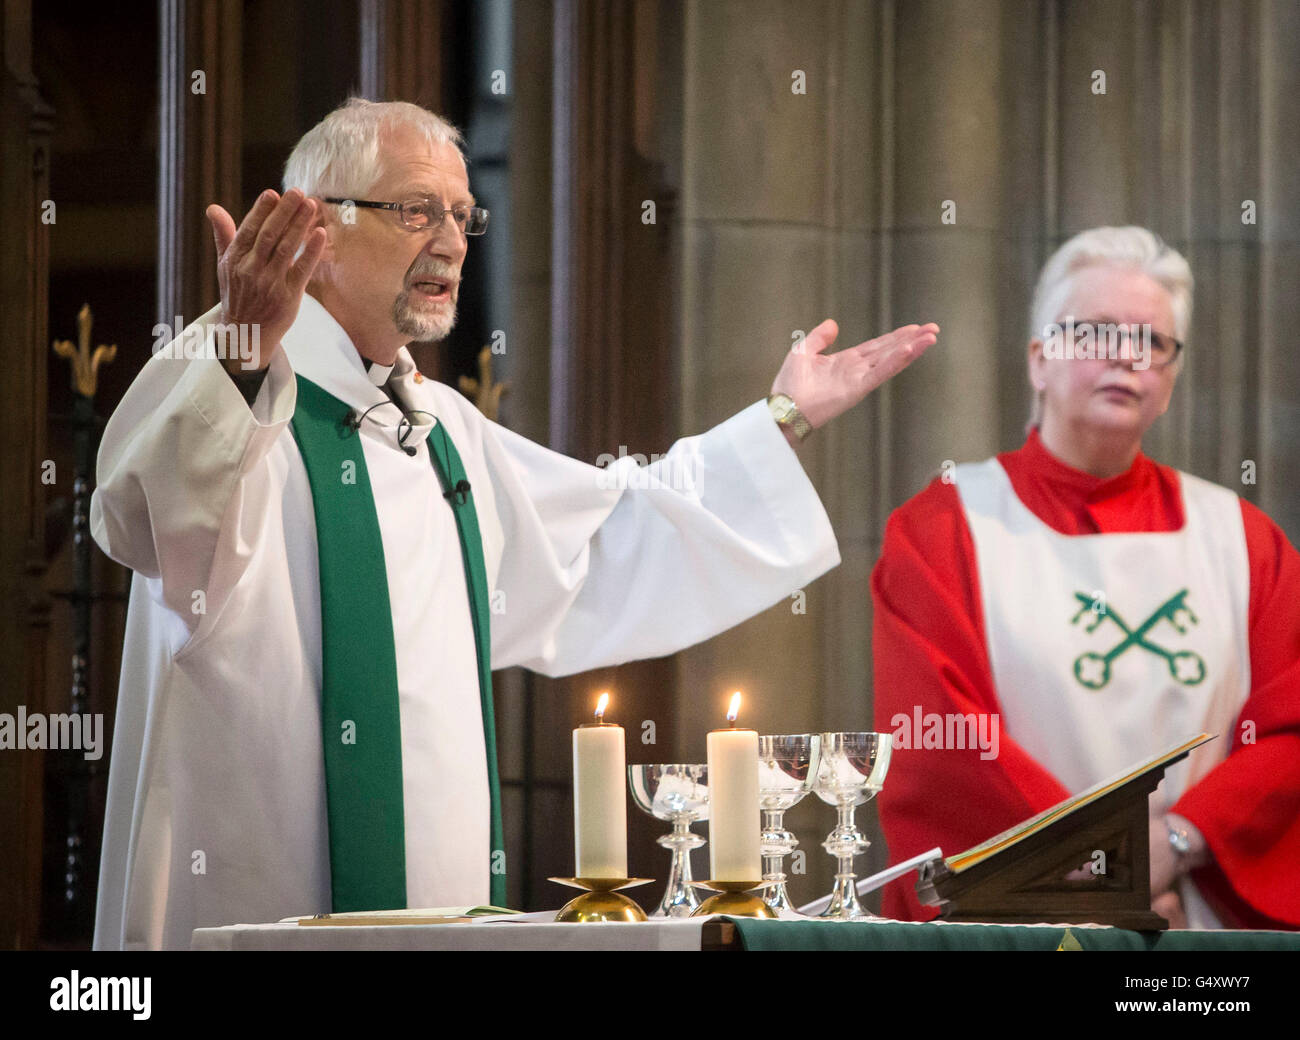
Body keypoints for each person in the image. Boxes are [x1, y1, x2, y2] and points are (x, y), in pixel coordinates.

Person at [91, 98, 940, 949]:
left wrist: (783, 418)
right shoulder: (229, 376)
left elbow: (615, 528)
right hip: (256, 903)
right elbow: (143, 526)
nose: (452, 242)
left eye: (464, 215)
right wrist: (242, 351)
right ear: (319, 228)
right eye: (417, 209)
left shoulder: (442, 434)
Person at [872, 226, 1299, 929]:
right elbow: (944, 749)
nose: (1127, 359)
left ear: (1170, 376)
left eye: (1152, 342)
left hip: (1194, 918)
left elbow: (1290, 731)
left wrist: (1178, 841)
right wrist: (1108, 872)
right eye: (1096, 333)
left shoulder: (1244, 539)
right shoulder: (942, 530)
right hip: (1023, 923)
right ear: (1040, 359)